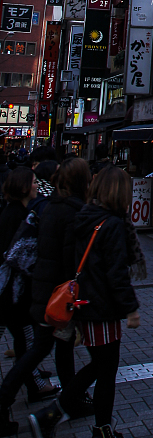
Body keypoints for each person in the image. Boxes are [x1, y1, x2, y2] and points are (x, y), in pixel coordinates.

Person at [29, 166, 141, 438]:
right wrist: (131, 308)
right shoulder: (112, 224)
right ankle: (55, 417)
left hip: (85, 304)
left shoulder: (86, 216)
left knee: (102, 367)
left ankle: (96, 427)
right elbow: (115, 273)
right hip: (102, 308)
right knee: (103, 368)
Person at [0, 159, 94, 434]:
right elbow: (69, 260)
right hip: (57, 293)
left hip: (44, 290)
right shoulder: (72, 212)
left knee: (54, 348)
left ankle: (70, 400)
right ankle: (5, 398)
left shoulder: (48, 206)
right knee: (41, 349)